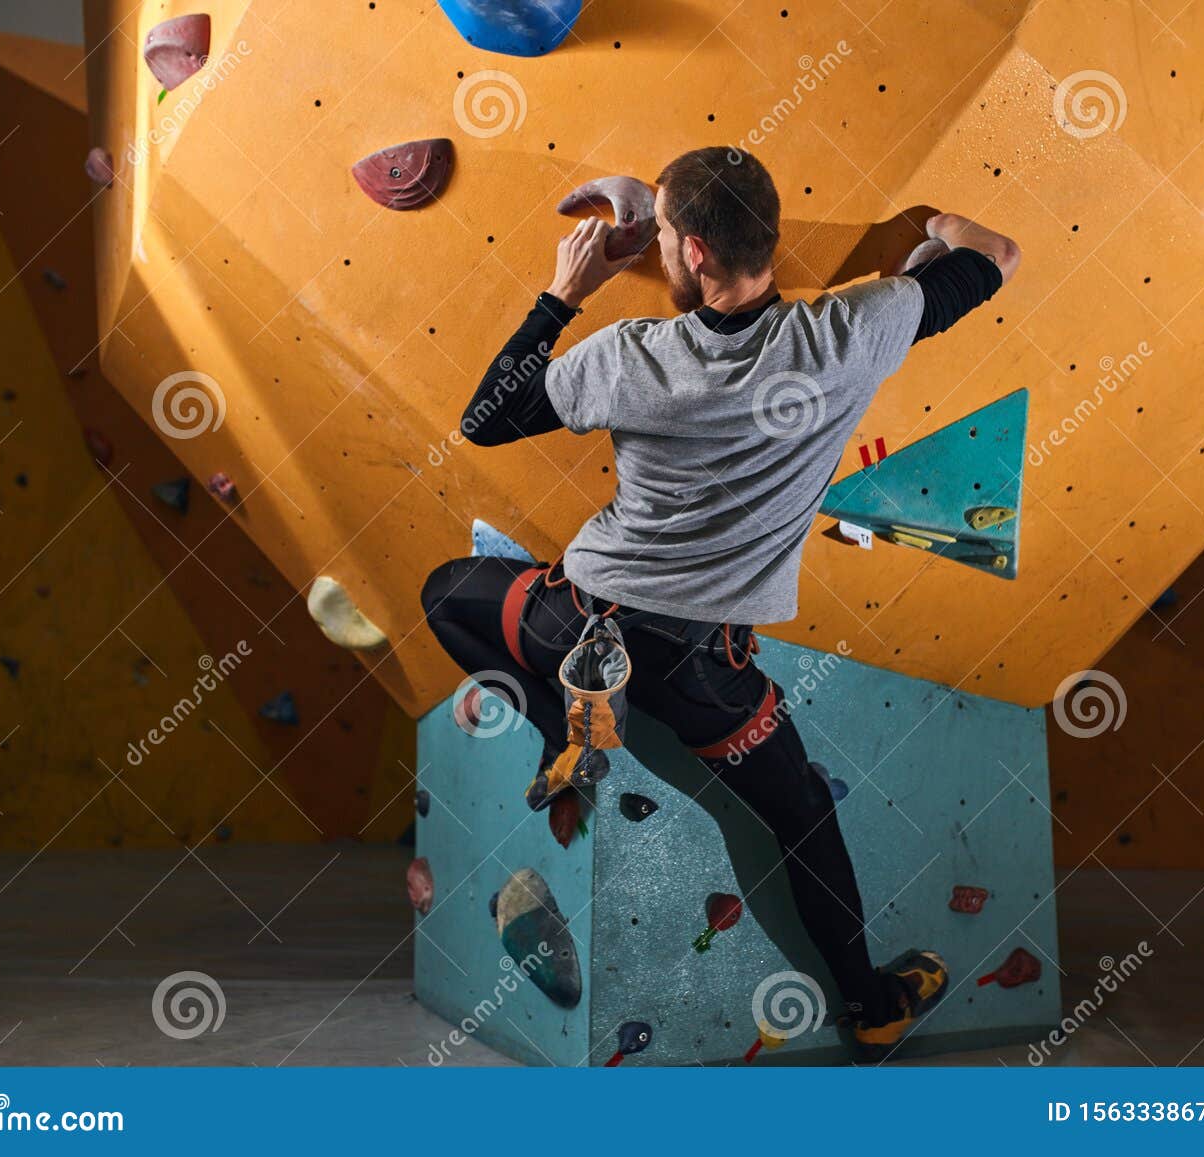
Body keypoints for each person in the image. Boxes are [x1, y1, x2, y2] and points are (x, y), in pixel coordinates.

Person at [422, 146, 1020, 1047]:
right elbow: (997, 255)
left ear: (693, 253)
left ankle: (565, 729)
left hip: (576, 621)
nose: (657, 245)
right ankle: (871, 1007)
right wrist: (926, 222)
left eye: (661, 234)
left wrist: (565, 292)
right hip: (706, 669)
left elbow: (485, 419)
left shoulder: (629, 354)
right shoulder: (850, 334)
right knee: (801, 814)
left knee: (447, 593)